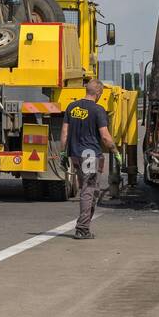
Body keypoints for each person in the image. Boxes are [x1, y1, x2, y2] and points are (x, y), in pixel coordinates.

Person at [62, 78, 117, 240]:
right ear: (98, 93)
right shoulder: (98, 110)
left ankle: (84, 226)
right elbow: (105, 137)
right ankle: (82, 229)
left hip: (76, 155)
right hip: (91, 156)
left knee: (90, 190)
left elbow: (64, 133)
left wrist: (63, 153)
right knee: (88, 190)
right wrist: (116, 151)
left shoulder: (71, 107)